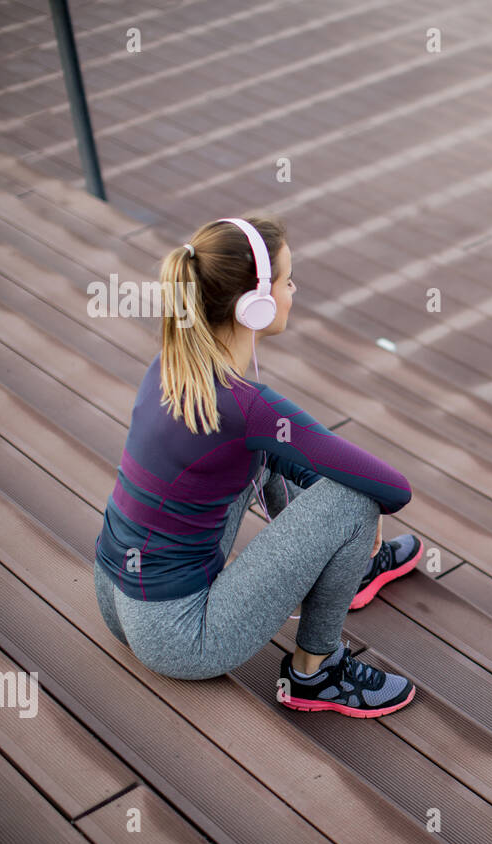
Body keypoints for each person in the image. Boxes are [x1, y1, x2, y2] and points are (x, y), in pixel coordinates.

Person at [92, 215, 421, 717]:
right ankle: (317, 673)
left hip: (116, 599)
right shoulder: (247, 406)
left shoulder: (171, 366)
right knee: (356, 501)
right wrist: (360, 521)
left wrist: (332, 540)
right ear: (255, 303)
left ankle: (343, 569)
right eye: (287, 280)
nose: (294, 289)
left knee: (272, 455)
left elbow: (297, 457)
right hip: (181, 637)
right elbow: (392, 488)